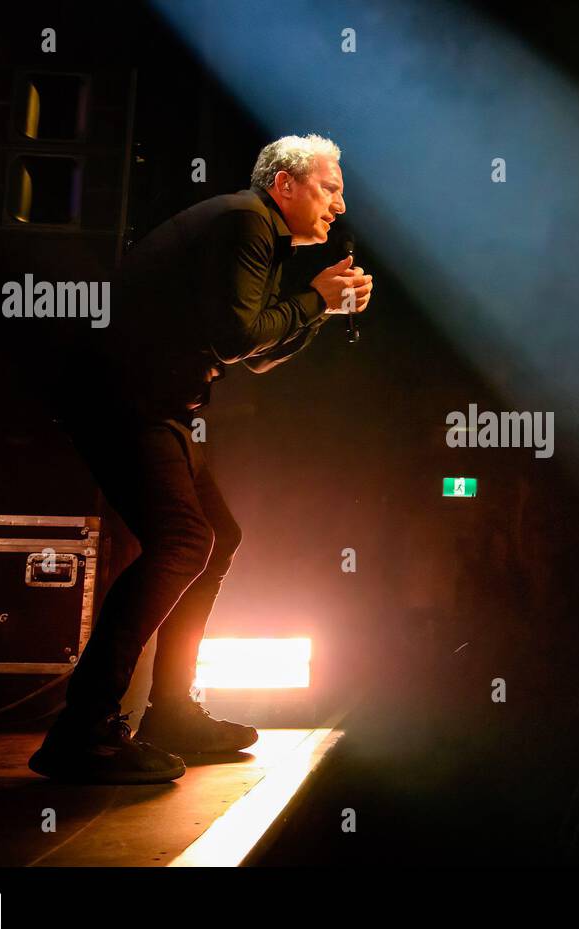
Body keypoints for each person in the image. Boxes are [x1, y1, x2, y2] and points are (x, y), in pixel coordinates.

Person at [29, 134, 373, 783]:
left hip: (151, 402)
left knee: (214, 539)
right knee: (186, 539)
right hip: (124, 397)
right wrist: (317, 299)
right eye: (330, 188)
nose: (339, 204)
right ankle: (83, 727)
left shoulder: (259, 232)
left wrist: (321, 311)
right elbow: (236, 335)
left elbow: (257, 354)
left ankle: (173, 713)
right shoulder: (246, 220)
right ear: (286, 186)